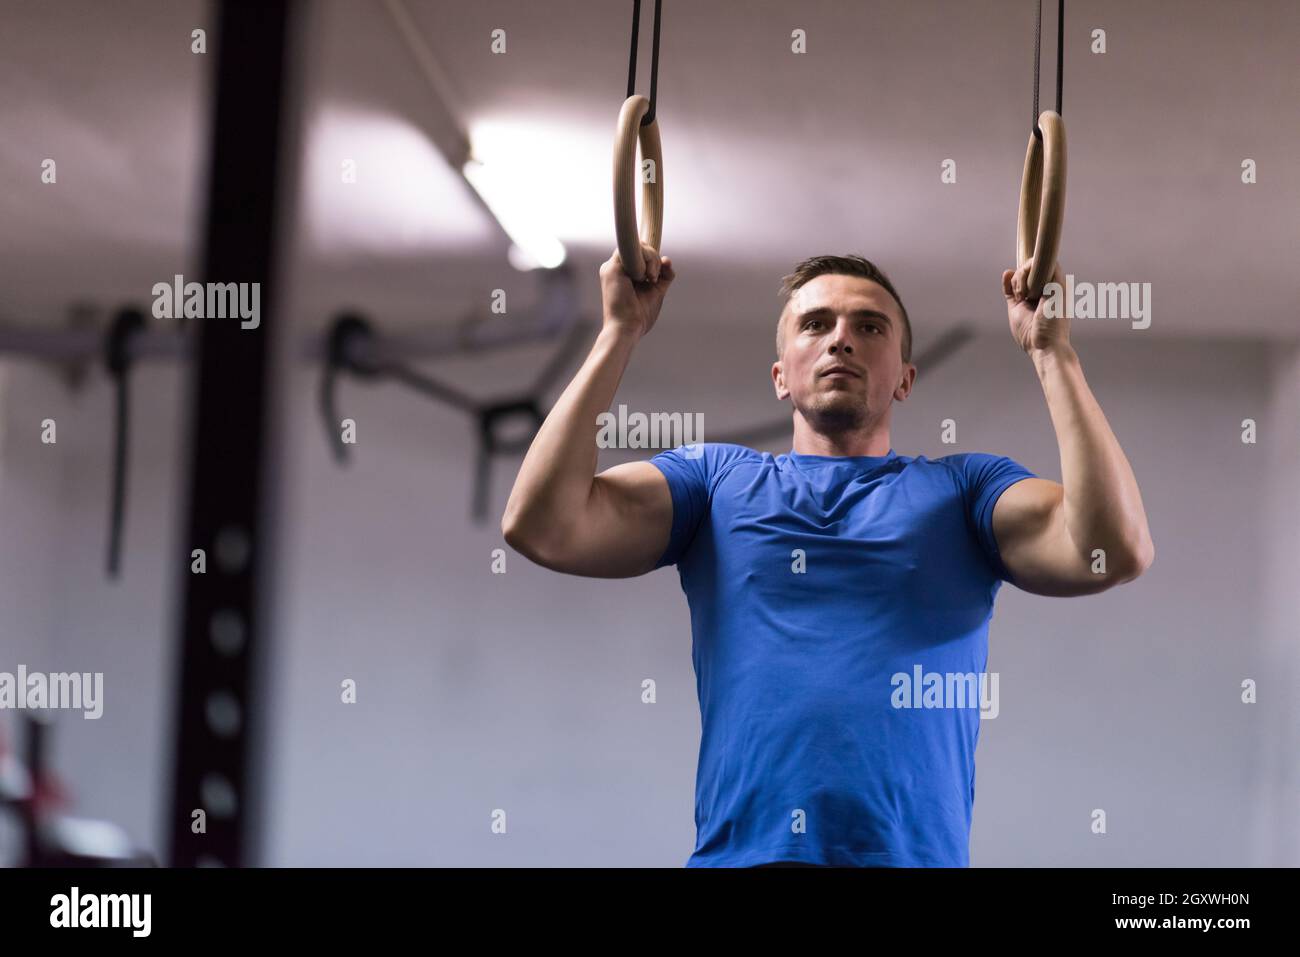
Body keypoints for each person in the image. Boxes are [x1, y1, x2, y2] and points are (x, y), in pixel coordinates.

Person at [501, 244, 1154, 867]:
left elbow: (1113, 549)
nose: (842, 337)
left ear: (905, 378)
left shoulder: (965, 491)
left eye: (869, 326)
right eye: (817, 323)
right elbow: (542, 525)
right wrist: (619, 331)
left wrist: (1053, 353)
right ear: (781, 374)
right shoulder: (713, 483)